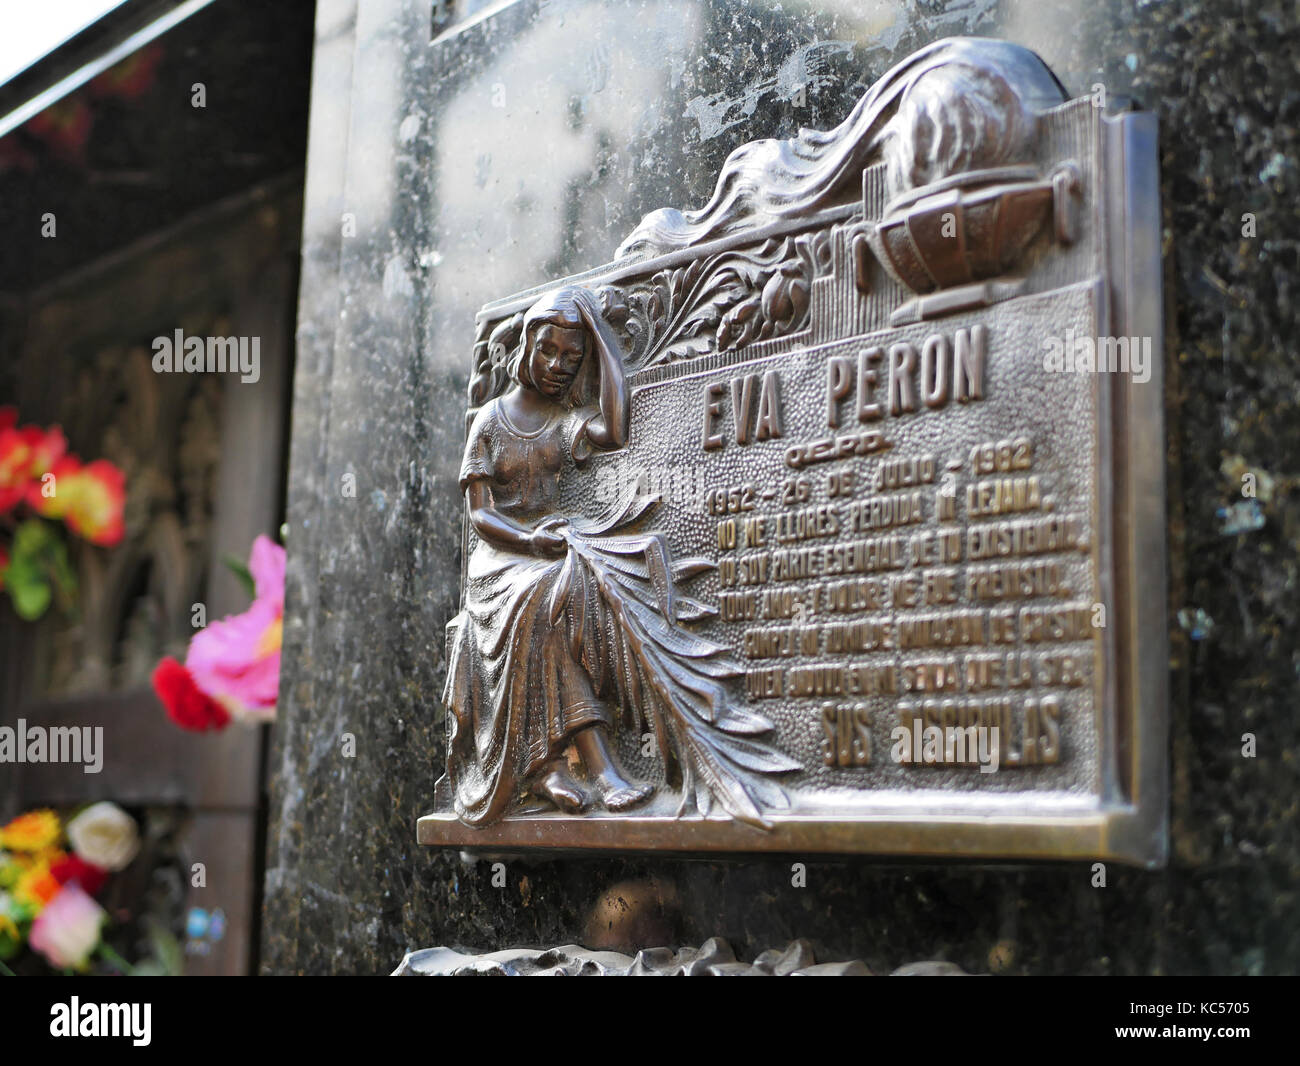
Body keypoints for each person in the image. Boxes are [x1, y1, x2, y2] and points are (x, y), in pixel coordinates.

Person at [444, 286, 654, 825]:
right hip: (500, 559)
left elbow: (616, 429)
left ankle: (552, 763)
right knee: (543, 592)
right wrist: (530, 542)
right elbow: (480, 515)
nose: (559, 366)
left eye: (572, 356)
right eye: (548, 352)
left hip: (545, 551)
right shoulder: (489, 421)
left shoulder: (560, 425)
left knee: (568, 590)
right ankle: (588, 766)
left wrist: (603, 339)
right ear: (526, 349)